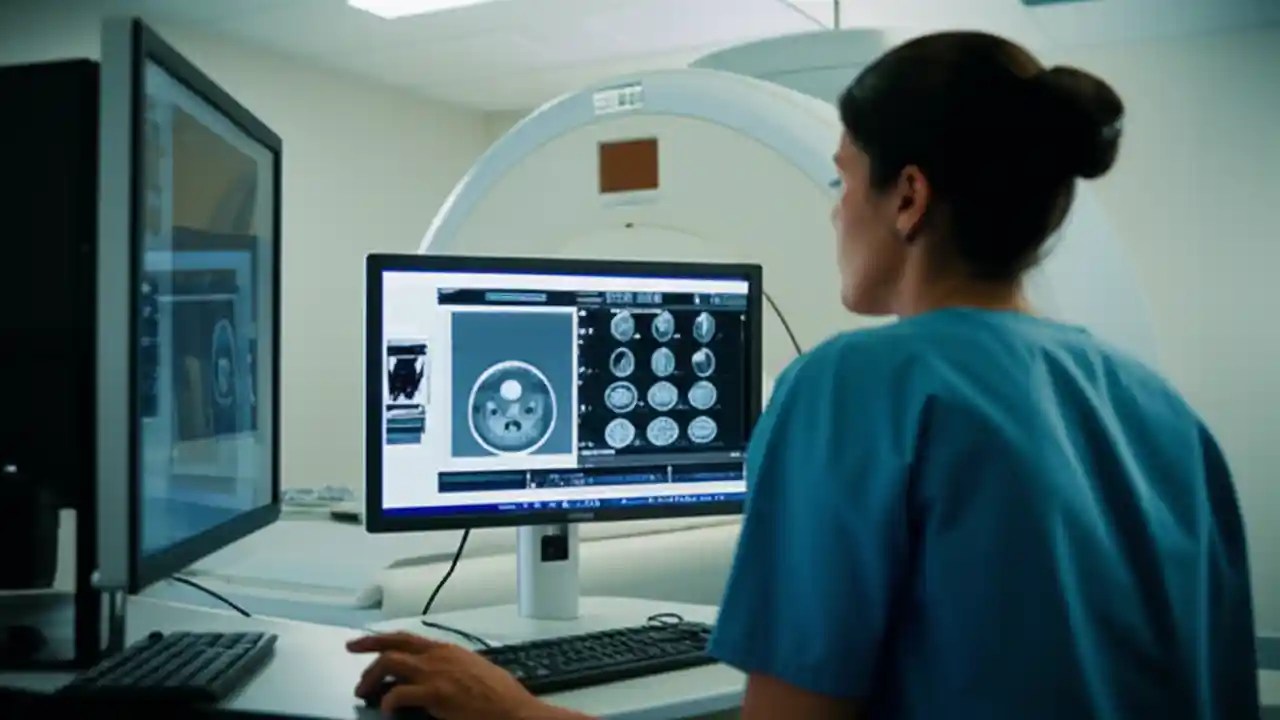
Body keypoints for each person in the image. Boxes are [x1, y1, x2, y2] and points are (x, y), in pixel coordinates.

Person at [348, 30, 1259, 720]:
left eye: (840, 180)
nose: (834, 216)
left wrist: (514, 709)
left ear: (906, 197)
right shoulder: (1162, 411)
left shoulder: (849, 390)